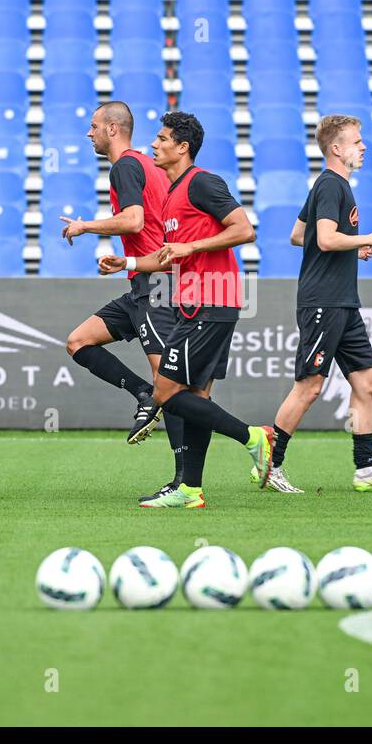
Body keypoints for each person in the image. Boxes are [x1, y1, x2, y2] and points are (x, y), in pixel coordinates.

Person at [99, 111, 273, 508]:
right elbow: (167, 258)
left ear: (183, 147)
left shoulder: (202, 183)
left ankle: (253, 437)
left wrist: (191, 247)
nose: (154, 145)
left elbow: (244, 229)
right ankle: (190, 490)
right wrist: (125, 264)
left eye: (161, 139)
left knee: (164, 392)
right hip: (196, 303)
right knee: (194, 395)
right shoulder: (172, 194)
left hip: (212, 300)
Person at [263, 114, 372, 493]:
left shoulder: (332, 186)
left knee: (366, 382)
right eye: (356, 141)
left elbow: (300, 235)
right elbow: (325, 240)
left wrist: (349, 249)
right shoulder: (331, 185)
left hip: (343, 302)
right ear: (336, 148)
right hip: (323, 302)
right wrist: (365, 240)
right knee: (310, 386)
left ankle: (366, 469)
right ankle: (270, 464)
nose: (363, 147)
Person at [62, 101, 182, 501]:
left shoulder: (125, 166)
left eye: (93, 125)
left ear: (113, 129)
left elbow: (133, 220)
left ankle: (185, 483)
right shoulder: (148, 165)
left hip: (157, 283)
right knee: (79, 341)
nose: (88, 133)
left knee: (172, 386)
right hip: (143, 283)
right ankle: (142, 394)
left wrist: (85, 226)